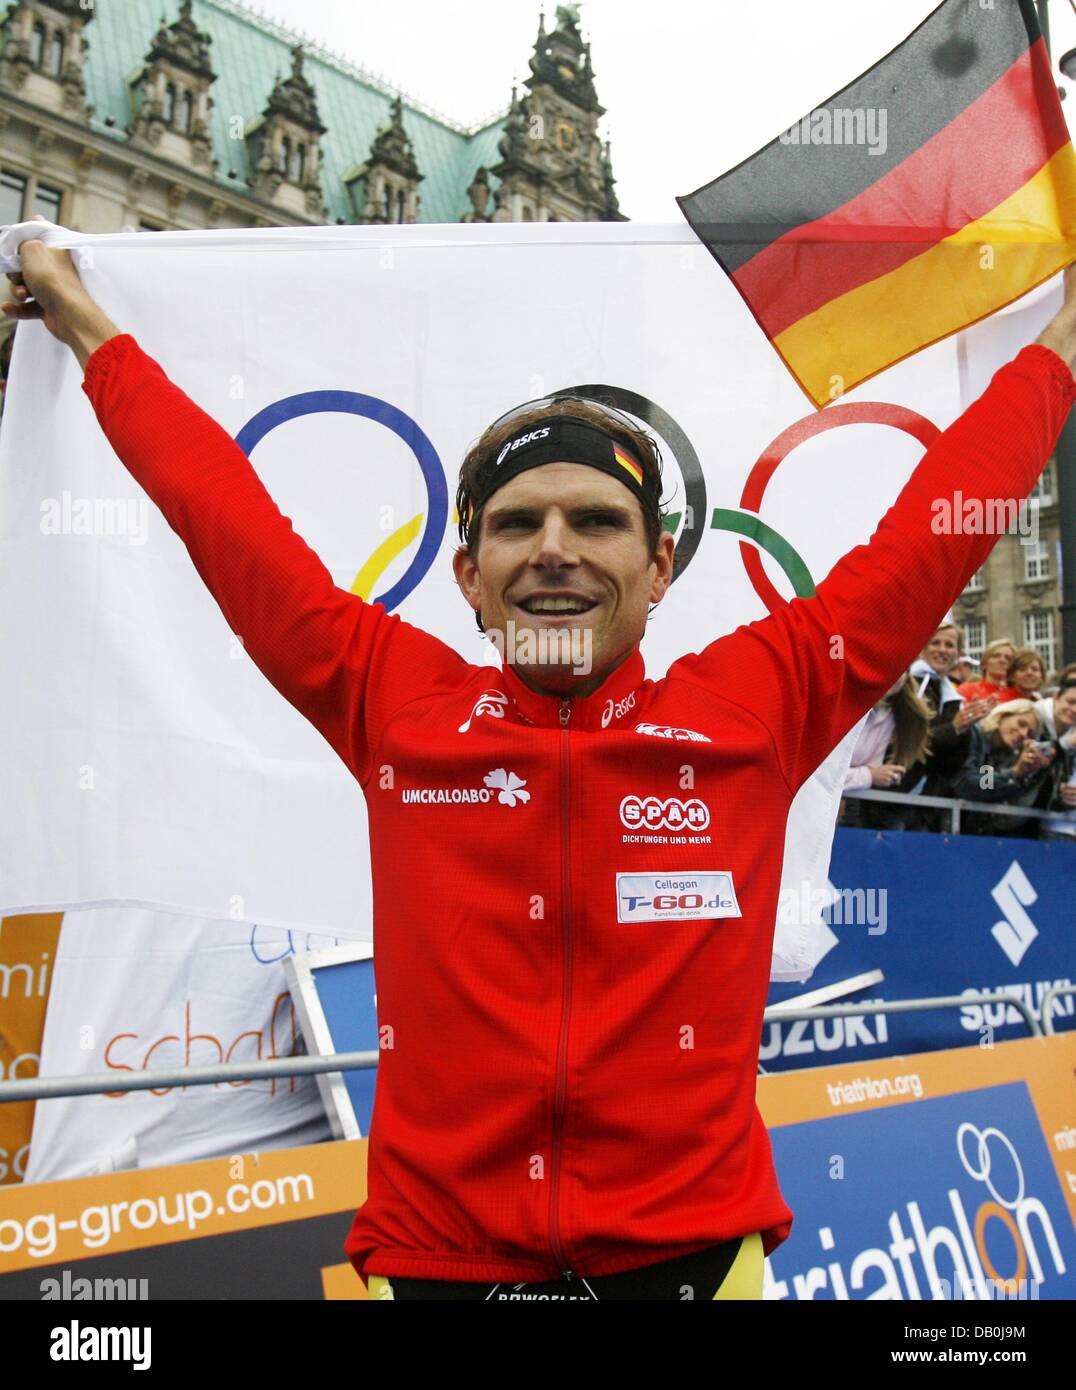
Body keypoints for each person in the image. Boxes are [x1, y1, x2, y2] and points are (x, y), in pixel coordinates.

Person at [7, 236, 1076, 1303]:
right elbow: (221, 514)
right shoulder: (392, 701)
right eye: (517, 524)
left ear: (659, 567)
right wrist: (92, 330)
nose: (554, 548)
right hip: (437, 1265)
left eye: (597, 521)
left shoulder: (757, 706)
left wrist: (1062, 342)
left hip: (690, 1264)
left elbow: (935, 527)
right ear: (470, 578)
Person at [947, 700, 1054, 837]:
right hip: (942, 825)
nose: (1023, 734)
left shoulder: (1004, 753)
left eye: (1030, 734)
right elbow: (967, 786)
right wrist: (1014, 772)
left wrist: (1029, 772)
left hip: (974, 832)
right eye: (1021, 723)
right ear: (1003, 715)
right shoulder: (974, 734)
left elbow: (988, 789)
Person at [840, 672, 932, 830]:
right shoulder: (843, 701)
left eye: (902, 669)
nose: (895, 673)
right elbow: (823, 773)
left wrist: (868, 776)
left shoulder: (889, 717)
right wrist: (870, 776)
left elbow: (869, 770)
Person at [958, 637, 1015, 702]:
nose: (1002, 660)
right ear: (984, 664)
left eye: (1008, 658)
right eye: (996, 656)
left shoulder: (1015, 694)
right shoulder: (968, 689)